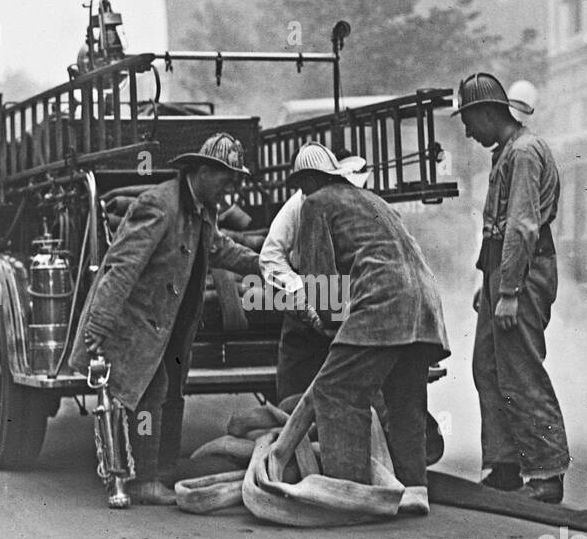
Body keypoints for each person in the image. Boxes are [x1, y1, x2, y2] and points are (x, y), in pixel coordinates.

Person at [76, 133, 262, 505]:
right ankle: (143, 479)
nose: (230, 188)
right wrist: (98, 327)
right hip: (139, 321)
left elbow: (219, 248)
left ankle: (162, 470)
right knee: (151, 390)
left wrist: (262, 263)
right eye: (227, 178)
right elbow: (121, 269)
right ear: (205, 171)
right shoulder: (159, 206)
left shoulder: (202, 208)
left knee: (172, 389)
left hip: (173, 322)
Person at [295, 158, 449, 491]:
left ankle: (349, 492)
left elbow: (318, 275)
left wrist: (327, 321)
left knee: (335, 391)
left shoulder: (316, 202)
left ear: (310, 180)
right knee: (405, 402)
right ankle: (413, 490)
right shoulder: (375, 200)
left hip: (385, 305)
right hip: (425, 307)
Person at [455, 72, 569, 503]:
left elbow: (521, 227)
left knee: (521, 372)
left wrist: (507, 292)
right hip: (503, 274)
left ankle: (547, 472)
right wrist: (488, 283)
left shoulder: (523, 153)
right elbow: (496, 230)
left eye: (469, 119)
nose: (467, 130)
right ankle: (504, 465)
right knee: (487, 366)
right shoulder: (506, 152)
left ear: (488, 112)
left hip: (523, 273)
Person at [259, 142, 369, 400]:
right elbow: (270, 256)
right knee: (291, 400)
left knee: (348, 397)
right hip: (304, 320)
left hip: (347, 312)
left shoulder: (355, 202)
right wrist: (304, 299)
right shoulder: (297, 205)